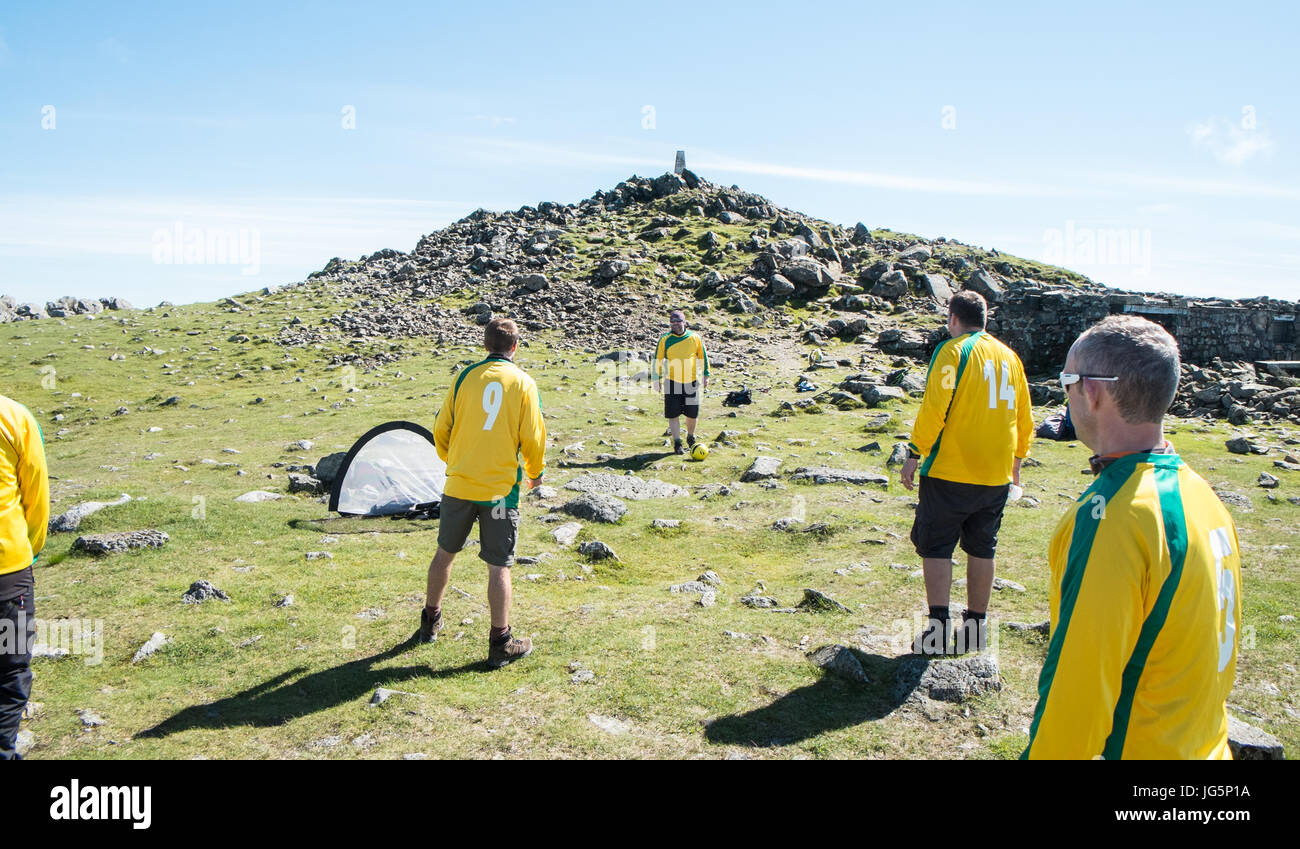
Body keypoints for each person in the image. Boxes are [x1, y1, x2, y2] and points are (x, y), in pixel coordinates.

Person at [1023, 316, 1243, 759]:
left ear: (1091, 390)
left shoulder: (1113, 518)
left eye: (1066, 381)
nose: (1065, 396)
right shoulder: (1203, 495)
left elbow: (1079, 688)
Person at [900, 290, 1032, 654]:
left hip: (950, 470)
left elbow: (934, 408)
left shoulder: (952, 351)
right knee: (983, 548)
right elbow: (1024, 418)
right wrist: (1016, 465)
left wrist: (914, 452)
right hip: (996, 475)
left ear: (953, 318)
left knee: (937, 547)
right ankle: (975, 630)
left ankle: (938, 629)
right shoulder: (1010, 358)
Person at [421, 318, 546, 668]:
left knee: (444, 553)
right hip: (498, 494)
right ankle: (500, 642)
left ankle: (430, 622)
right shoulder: (523, 382)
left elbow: (441, 427)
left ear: (486, 345)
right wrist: (536, 474)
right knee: (499, 567)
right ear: (515, 347)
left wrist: (454, 460)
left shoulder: (464, 377)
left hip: (459, 485)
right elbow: (533, 438)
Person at [0, 394, 49, 760]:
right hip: (8, 571)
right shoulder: (13, 415)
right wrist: (27, 549)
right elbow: (36, 493)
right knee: (10, 665)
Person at [653, 310, 710, 455]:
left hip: (691, 382)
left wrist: (706, 374)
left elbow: (703, 355)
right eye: (672, 322)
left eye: (678, 322)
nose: (675, 324)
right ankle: (677, 443)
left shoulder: (694, 337)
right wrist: (656, 379)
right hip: (672, 382)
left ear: (684, 322)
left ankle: (690, 437)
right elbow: (657, 360)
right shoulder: (665, 339)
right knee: (673, 415)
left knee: (692, 415)